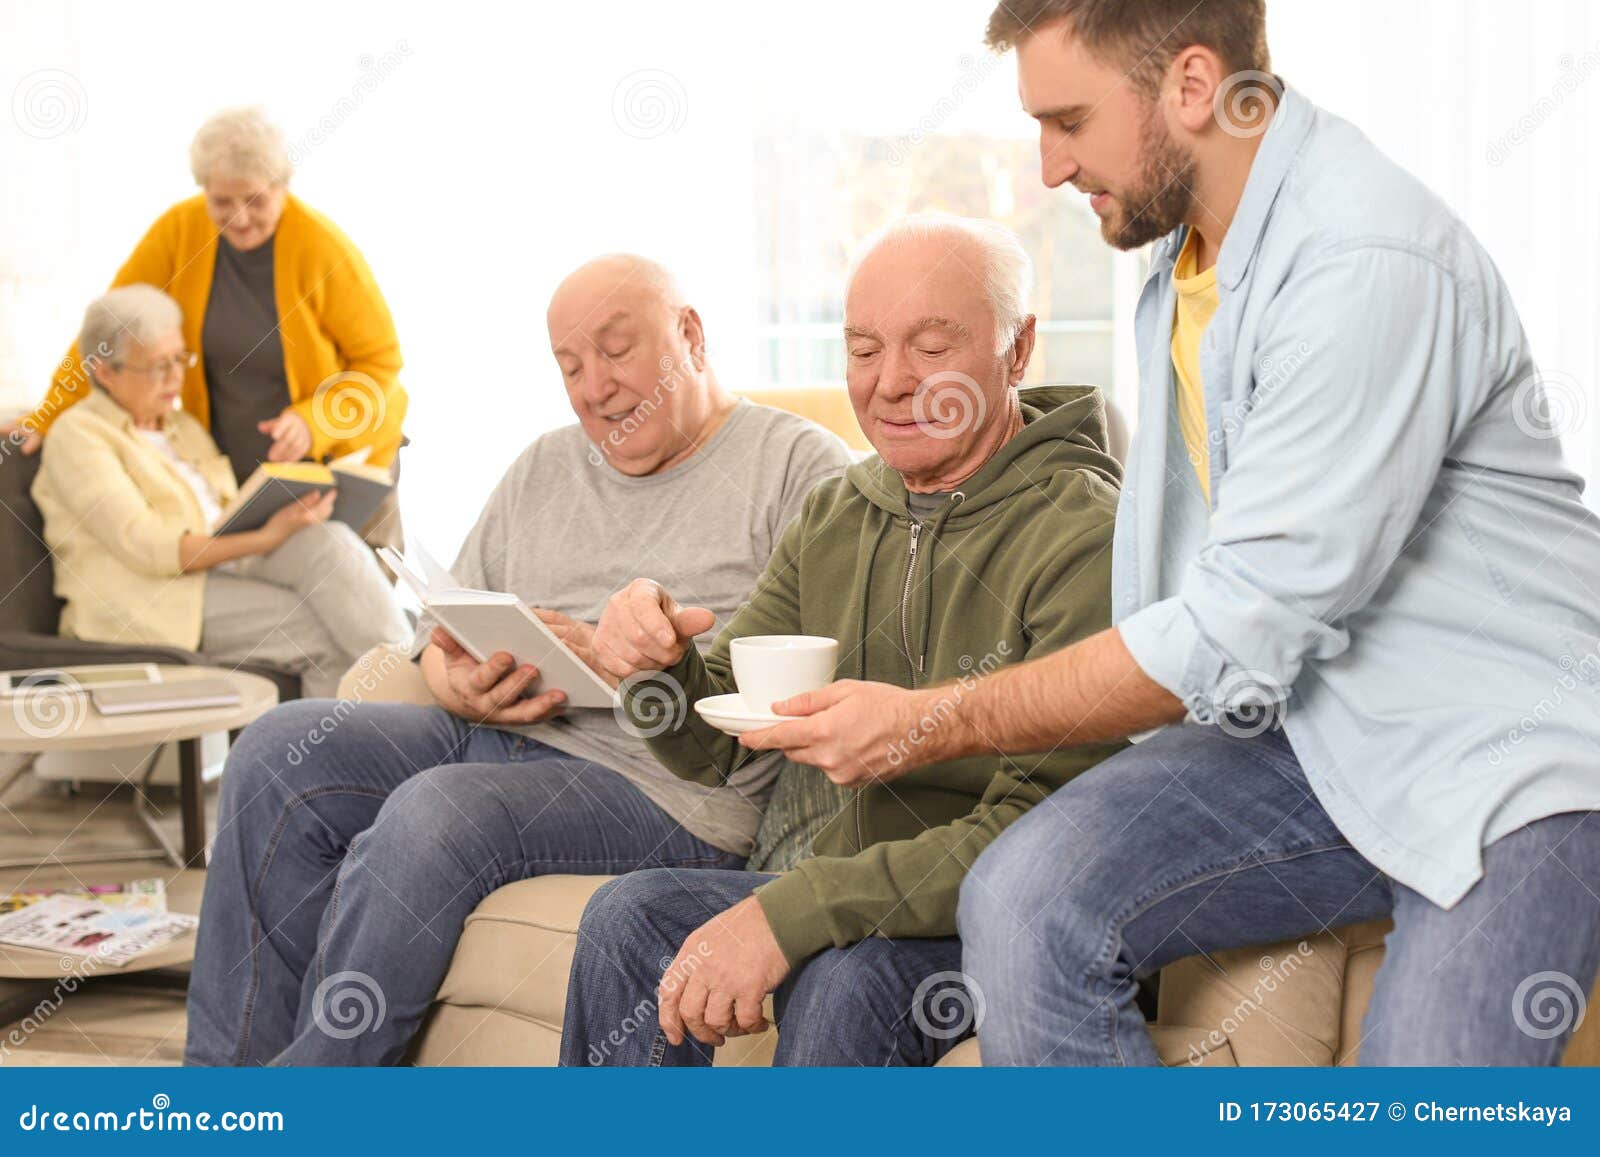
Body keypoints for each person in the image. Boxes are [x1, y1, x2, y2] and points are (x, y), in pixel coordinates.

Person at [745, 0, 1600, 1066]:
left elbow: (1234, 628)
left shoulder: (1361, 258)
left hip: (1495, 751)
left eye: (1067, 120)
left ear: (1193, 87)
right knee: (1021, 897)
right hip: (1311, 736)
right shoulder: (1188, 262)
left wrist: (929, 721)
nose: (1048, 167)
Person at [183, 254, 852, 1066]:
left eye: (615, 351)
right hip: (501, 735)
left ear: (690, 335)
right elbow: (442, 626)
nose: (593, 386)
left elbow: (803, 676)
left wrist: (615, 656)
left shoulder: (801, 468)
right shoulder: (543, 464)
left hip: (666, 789)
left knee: (437, 813)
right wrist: (452, 681)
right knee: (276, 752)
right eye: (569, 365)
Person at [560, 215, 1124, 1067]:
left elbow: (1036, 829)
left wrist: (795, 913)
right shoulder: (840, 510)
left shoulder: (1083, 529)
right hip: (856, 893)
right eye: (864, 351)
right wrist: (657, 665)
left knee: (847, 979)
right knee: (626, 916)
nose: (891, 384)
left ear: (1018, 350)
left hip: (992, 911)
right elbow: (715, 747)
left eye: (931, 347)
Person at [5, 107, 408, 548]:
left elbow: (380, 362)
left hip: (346, 464)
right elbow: (111, 330)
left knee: (357, 590)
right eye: (221, 202)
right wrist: (51, 412)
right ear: (205, 191)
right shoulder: (179, 231)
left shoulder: (322, 248)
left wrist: (315, 422)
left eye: (255, 200)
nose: (239, 217)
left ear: (282, 188)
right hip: (245, 475)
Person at [31, 285, 408, 697]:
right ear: (105, 371)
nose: (176, 377)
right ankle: (380, 737)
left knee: (330, 541)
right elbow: (149, 547)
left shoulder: (182, 427)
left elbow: (224, 512)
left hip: (225, 565)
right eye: (159, 366)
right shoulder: (77, 434)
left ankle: (420, 683)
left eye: (180, 359)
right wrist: (266, 537)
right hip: (155, 599)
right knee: (317, 633)